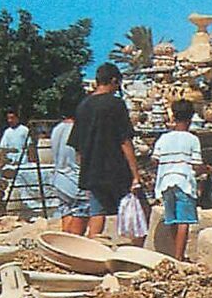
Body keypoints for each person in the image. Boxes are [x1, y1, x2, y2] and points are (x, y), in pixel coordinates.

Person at [71, 63, 144, 237]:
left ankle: (91, 248)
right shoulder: (116, 104)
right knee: (139, 208)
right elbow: (125, 140)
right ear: (113, 80)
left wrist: (84, 169)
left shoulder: (83, 106)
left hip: (92, 171)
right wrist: (135, 174)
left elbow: (77, 145)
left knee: (97, 213)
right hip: (116, 169)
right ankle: (134, 249)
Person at [151, 99, 203, 260]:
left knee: (172, 219)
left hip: (165, 183)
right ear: (190, 118)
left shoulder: (163, 138)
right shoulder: (192, 139)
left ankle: (176, 254)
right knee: (184, 221)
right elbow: (196, 165)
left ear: (173, 116)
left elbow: (154, 159)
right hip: (184, 182)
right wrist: (206, 170)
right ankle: (179, 256)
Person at [49, 105, 88, 234]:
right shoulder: (79, 129)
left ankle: (64, 240)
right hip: (74, 179)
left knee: (66, 211)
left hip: (59, 177)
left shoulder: (57, 129)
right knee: (82, 211)